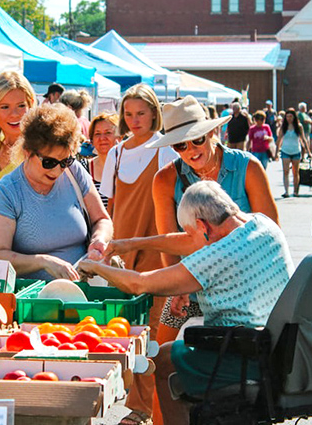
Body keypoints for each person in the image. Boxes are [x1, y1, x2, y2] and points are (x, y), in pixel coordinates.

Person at [79, 181, 293, 425]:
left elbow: (138, 284)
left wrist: (94, 267)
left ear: (203, 225)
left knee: (164, 360)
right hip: (278, 345)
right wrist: (129, 244)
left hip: (243, 352)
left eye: (192, 230)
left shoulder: (217, 255)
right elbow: (193, 241)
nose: (192, 239)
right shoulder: (264, 224)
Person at [99, 84, 177, 425]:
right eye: (128, 114)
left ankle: (143, 408)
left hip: (156, 255)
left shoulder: (167, 151)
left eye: (141, 113)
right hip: (120, 255)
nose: (134, 120)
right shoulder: (115, 153)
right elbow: (108, 206)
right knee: (124, 330)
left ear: (154, 113)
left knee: (153, 334)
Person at [0, 104, 112, 280]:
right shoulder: (7, 191)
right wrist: (43, 261)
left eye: (65, 161)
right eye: (49, 163)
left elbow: (102, 219)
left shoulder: (74, 171)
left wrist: (98, 240)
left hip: (83, 290)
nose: (57, 170)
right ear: (27, 152)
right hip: (32, 300)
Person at [0, 70, 35, 197]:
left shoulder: (39, 149)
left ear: (31, 104)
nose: (14, 114)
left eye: (21, 106)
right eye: (5, 107)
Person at [83, 112, 120, 210]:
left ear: (119, 137)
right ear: (92, 140)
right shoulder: (83, 168)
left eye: (108, 133)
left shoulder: (127, 167)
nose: (102, 138)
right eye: (97, 134)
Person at [275, 108, 311, 197]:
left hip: (296, 150)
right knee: (286, 171)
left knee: (296, 172)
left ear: (294, 117)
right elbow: (279, 140)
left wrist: (308, 152)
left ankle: (295, 191)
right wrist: (276, 152)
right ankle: (286, 191)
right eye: (287, 116)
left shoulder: (299, 126)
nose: (289, 118)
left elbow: (303, 139)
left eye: (290, 116)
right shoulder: (283, 127)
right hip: (285, 150)